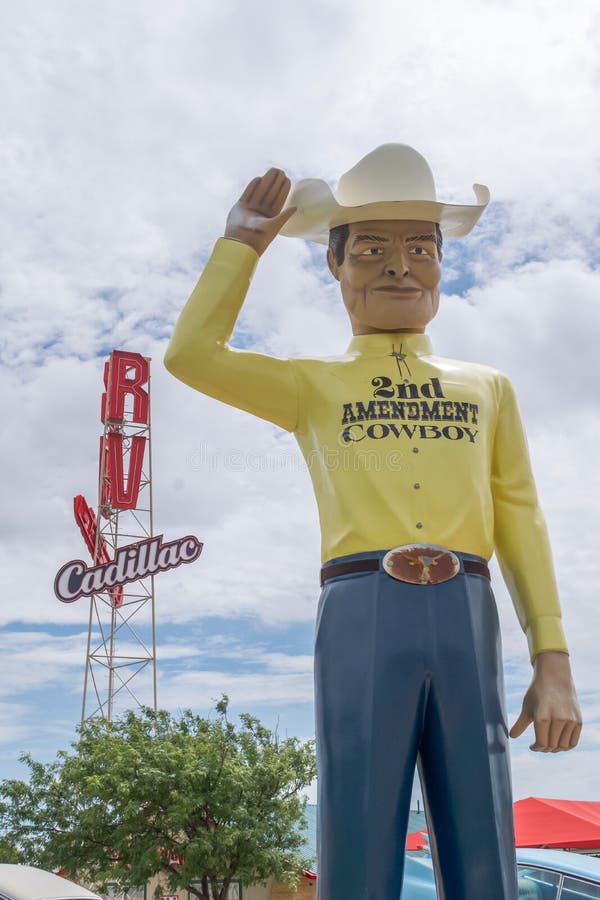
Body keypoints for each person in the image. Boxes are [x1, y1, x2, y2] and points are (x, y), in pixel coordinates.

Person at [164, 144, 582, 900]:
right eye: (373, 249)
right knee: (356, 831)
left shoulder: (487, 387)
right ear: (337, 266)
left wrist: (551, 658)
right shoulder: (310, 385)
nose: (400, 267)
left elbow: (521, 513)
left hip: (467, 606)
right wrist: (241, 248)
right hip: (361, 604)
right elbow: (191, 355)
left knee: (483, 835)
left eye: (421, 248)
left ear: (442, 265)